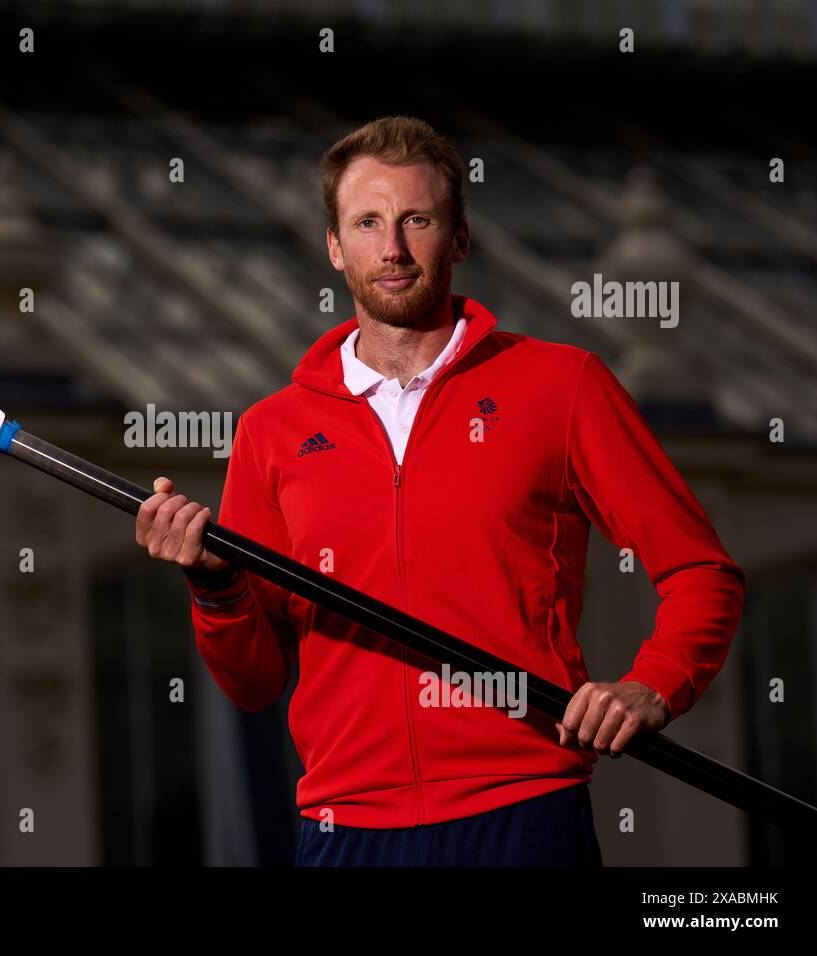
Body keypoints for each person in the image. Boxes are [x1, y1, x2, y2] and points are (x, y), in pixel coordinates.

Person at [133, 115, 745, 866]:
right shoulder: (272, 431)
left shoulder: (562, 386)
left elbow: (701, 573)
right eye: (367, 222)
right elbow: (255, 682)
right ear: (334, 246)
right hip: (343, 830)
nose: (391, 249)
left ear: (458, 238)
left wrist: (654, 685)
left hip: (520, 811)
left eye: (416, 219)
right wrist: (214, 586)